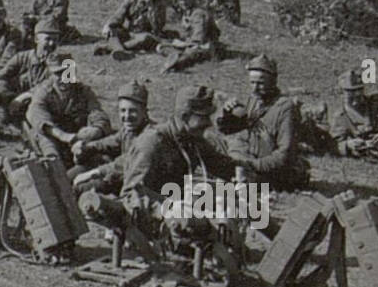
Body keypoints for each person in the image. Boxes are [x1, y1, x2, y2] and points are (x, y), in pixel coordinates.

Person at [76, 84, 235, 239]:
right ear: (185, 117)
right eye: (204, 117)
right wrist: (171, 209)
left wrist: (247, 176)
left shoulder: (190, 138)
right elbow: (132, 195)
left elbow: (224, 166)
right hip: (157, 224)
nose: (208, 122)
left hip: (177, 212)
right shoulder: (152, 143)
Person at [214, 54, 310, 191]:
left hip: (271, 169)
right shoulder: (254, 100)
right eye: (252, 83)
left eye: (260, 83)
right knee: (211, 142)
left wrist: (251, 165)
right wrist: (226, 113)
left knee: (234, 178)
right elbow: (228, 130)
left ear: (273, 81)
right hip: (250, 158)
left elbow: (284, 155)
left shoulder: (285, 108)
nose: (254, 88)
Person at [24, 52, 112, 169]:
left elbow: (97, 112)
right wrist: (63, 136)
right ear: (51, 74)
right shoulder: (43, 91)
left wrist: (97, 129)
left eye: (67, 72)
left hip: (77, 137)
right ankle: (54, 165)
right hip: (54, 136)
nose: (63, 78)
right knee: (43, 139)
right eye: (58, 73)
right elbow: (37, 116)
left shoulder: (83, 91)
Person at [0, 15, 62, 120]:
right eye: (47, 39)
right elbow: (2, 74)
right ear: (36, 39)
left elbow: (63, 88)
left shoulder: (67, 62)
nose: (52, 43)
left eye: (55, 40)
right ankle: (9, 114)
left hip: (45, 104)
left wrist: (26, 96)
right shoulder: (23, 56)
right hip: (17, 99)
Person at [70, 81, 154, 173]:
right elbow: (112, 141)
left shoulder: (150, 135)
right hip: (122, 174)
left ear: (145, 112)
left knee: (85, 185)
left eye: (133, 111)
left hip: (136, 180)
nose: (127, 116)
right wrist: (87, 146)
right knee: (73, 174)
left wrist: (96, 172)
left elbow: (128, 161)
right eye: (123, 110)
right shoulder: (129, 129)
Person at [159, 0, 223, 73]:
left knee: (190, 53)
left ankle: (175, 65)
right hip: (193, 44)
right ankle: (175, 57)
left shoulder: (198, 13)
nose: (183, 2)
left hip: (205, 46)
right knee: (162, 46)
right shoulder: (188, 12)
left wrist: (181, 44)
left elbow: (198, 39)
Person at [98, 0, 165, 54]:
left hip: (147, 34)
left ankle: (113, 48)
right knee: (112, 30)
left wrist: (151, 7)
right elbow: (118, 16)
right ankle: (119, 49)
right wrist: (109, 25)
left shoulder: (158, 2)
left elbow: (158, 27)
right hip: (130, 32)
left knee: (145, 38)